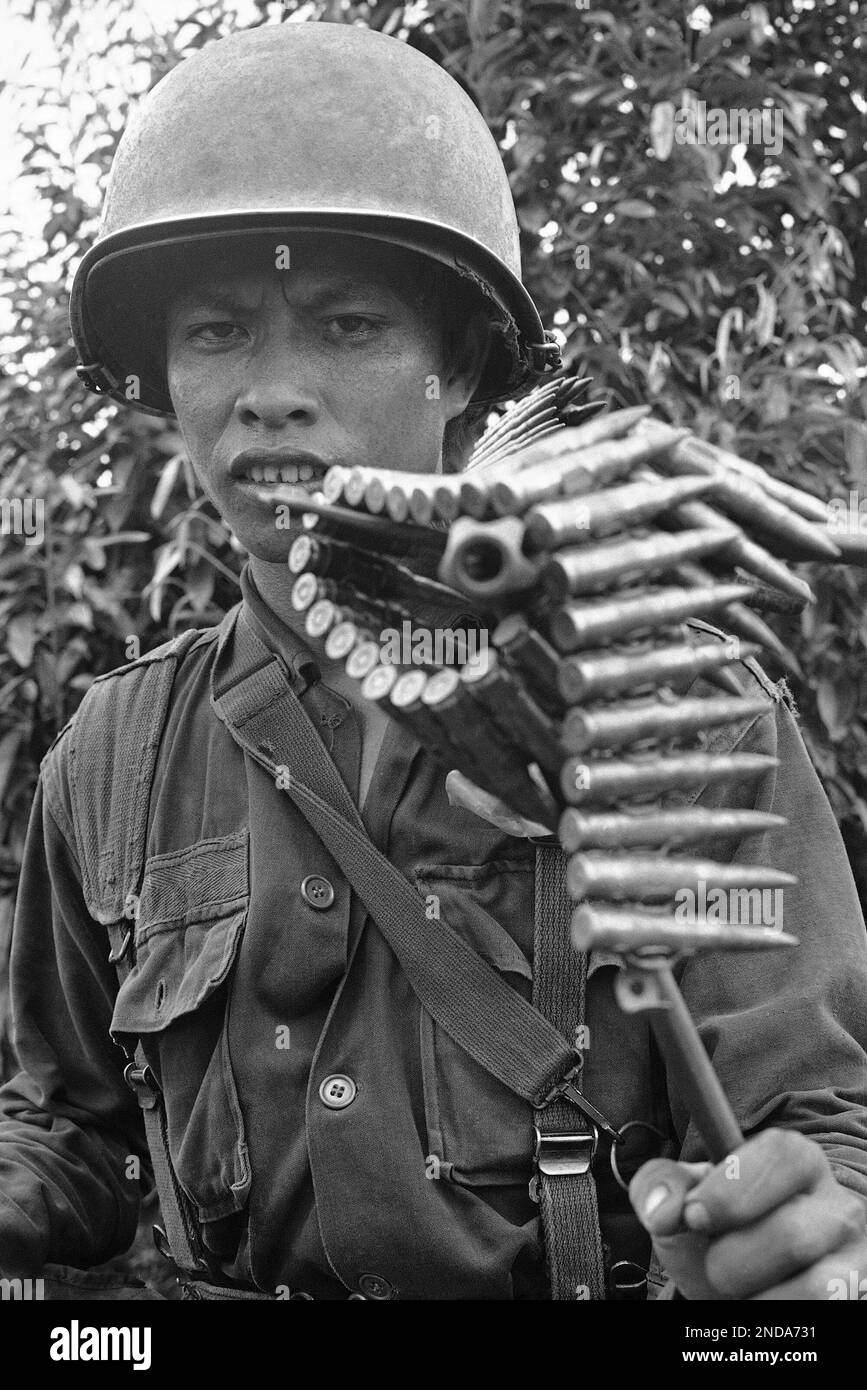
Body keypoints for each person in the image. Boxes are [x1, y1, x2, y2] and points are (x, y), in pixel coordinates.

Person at [1, 21, 866, 1302]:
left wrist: (804, 1250)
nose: (273, 393)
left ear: (457, 365)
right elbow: (72, 1129)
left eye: (349, 324)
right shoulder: (114, 757)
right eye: (218, 334)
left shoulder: (674, 717)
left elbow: (822, 1129)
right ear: (165, 383)